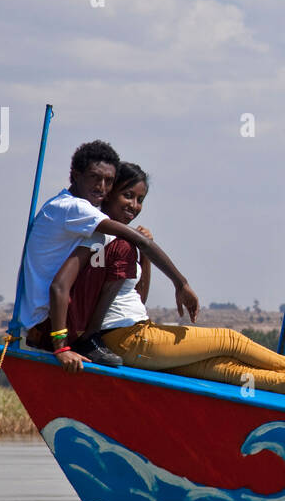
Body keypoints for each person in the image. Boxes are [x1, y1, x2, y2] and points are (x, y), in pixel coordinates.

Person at [82, 162, 285, 403]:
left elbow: (137, 300)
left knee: (222, 368)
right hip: (129, 339)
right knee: (230, 340)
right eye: (127, 196)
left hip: (132, 336)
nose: (134, 206)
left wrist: (146, 253)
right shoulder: (106, 237)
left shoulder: (122, 239)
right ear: (109, 194)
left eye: (139, 199)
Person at [16, 141, 200, 373]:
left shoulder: (72, 212)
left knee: (123, 245)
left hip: (47, 321)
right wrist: (180, 283)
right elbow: (59, 287)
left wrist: (143, 254)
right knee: (122, 244)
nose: (101, 187)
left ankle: (90, 336)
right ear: (75, 175)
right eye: (95, 177)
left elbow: (139, 292)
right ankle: (89, 338)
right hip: (47, 324)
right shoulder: (74, 209)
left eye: (108, 181)